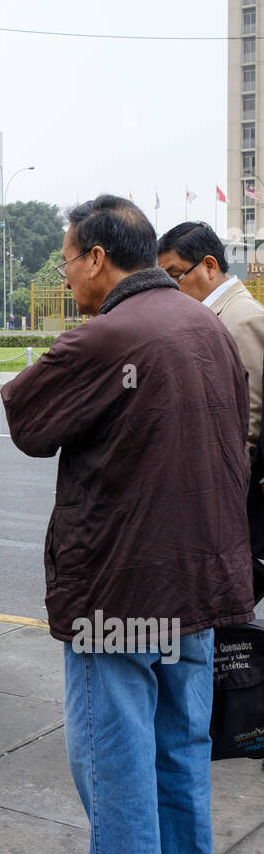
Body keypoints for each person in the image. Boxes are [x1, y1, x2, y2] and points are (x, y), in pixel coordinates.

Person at [2, 195, 254, 854]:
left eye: (69, 258)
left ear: (98, 261)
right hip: (203, 581)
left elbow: (26, 420)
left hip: (122, 586)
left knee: (115, 744)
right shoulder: (206, 326)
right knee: (180, 738)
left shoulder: (106, 334)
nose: (67, 272)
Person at [158, 221, 264, 602]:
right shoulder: (211, 314)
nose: (172, 288)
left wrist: (223, 500)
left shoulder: (242, 318)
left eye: (175, 276)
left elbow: (247, 424)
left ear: (208, 266)